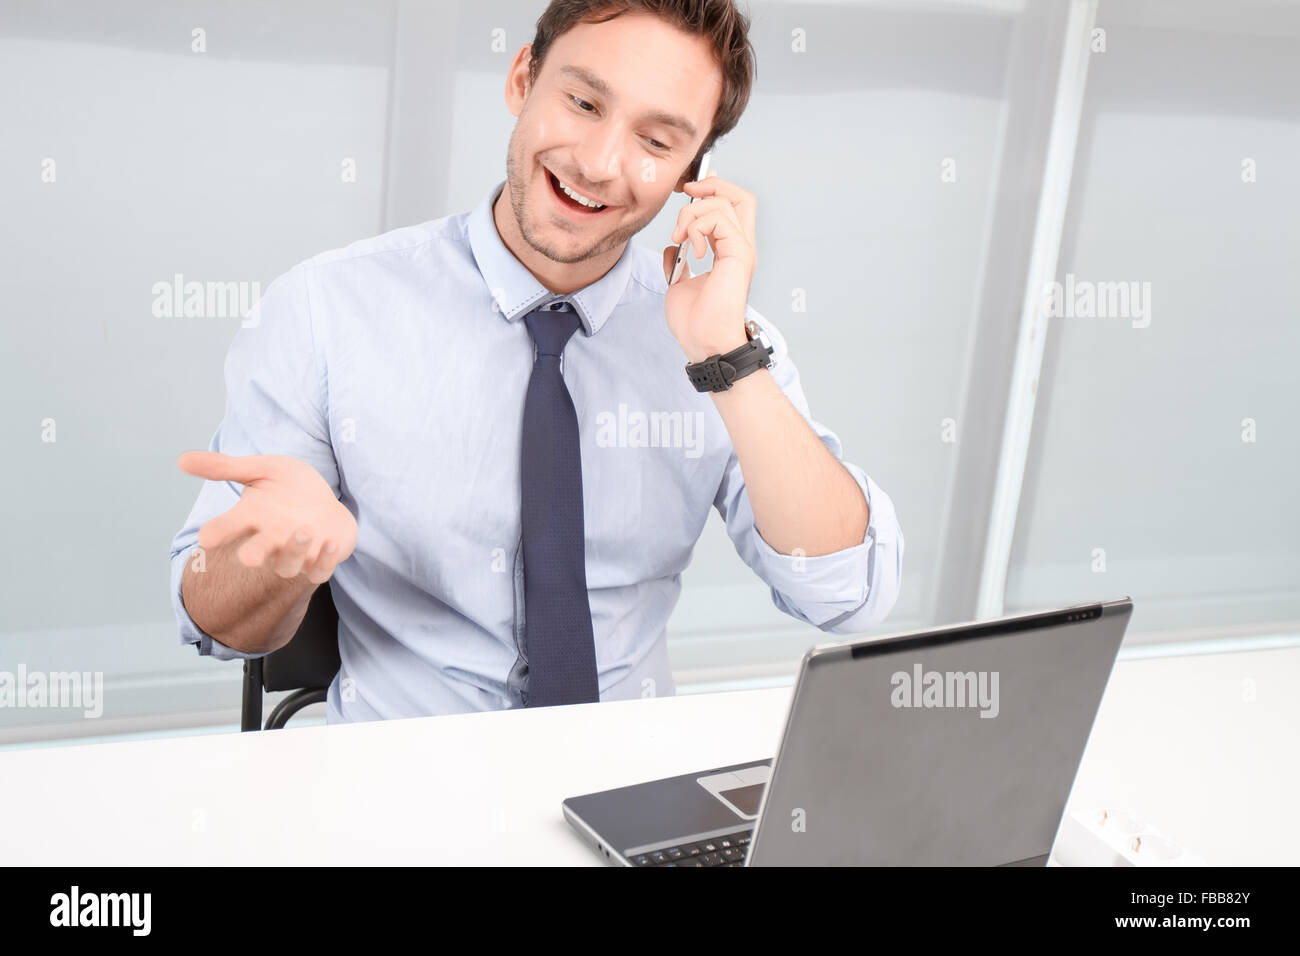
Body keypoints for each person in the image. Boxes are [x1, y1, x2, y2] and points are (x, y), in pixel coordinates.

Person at [169, 0, 903, 723]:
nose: (599, 163)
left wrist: (728, 359)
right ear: (524, 77)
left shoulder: (720, 340)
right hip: (399, 792)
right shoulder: (327, 307)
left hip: (626, 797)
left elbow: (845, 596)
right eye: (584, 102)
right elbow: (213, 620)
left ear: (694, 171)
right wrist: (276, 560)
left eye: (656, 141)